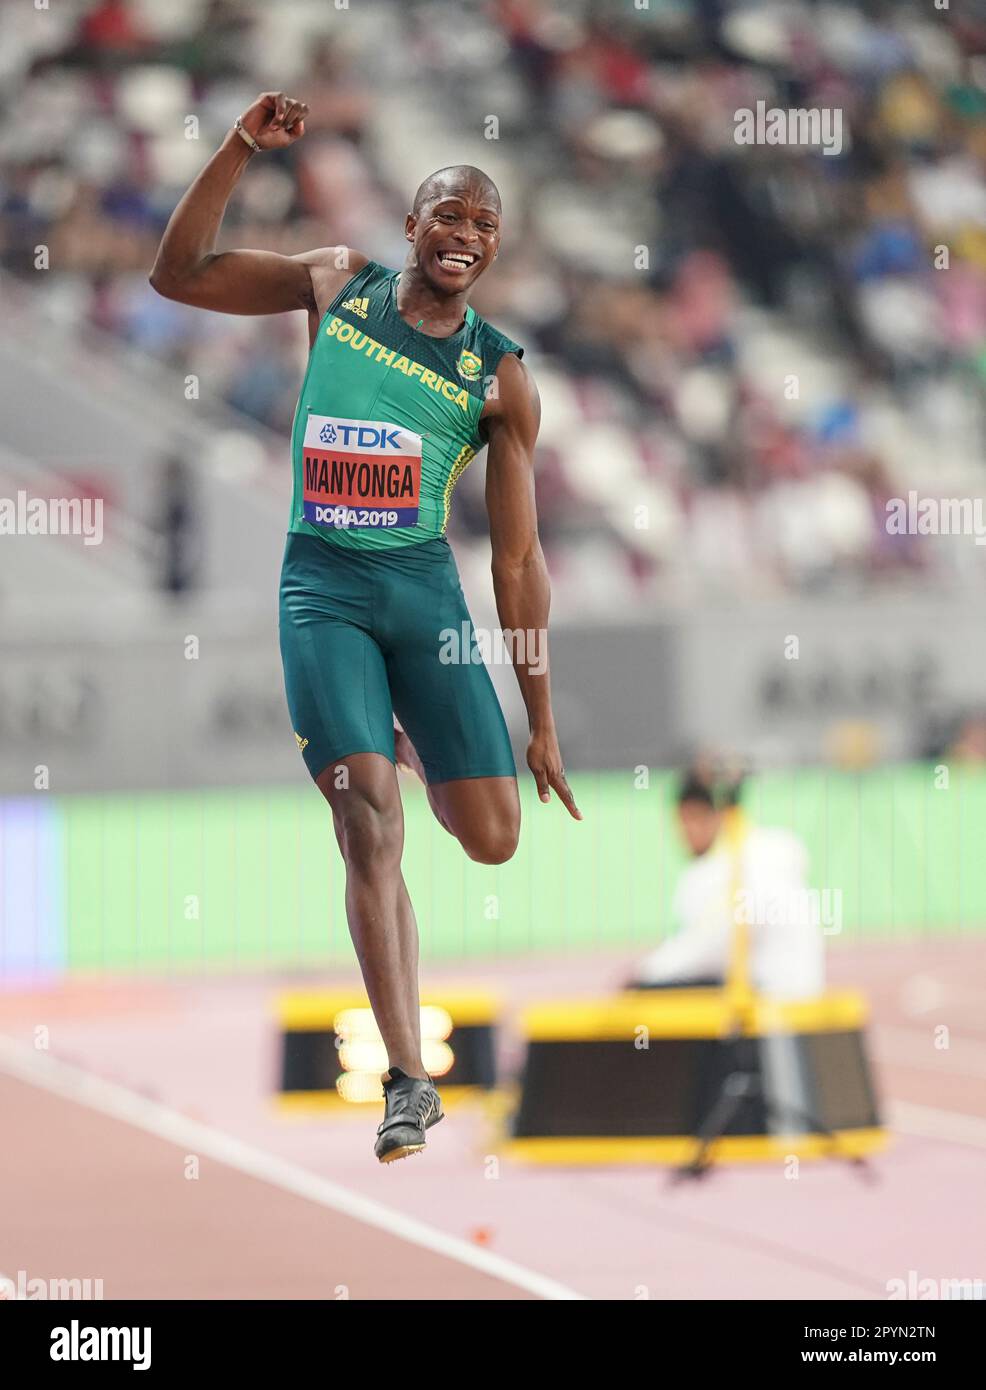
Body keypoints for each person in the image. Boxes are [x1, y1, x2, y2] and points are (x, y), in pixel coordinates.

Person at [150, 91, 581, 1162]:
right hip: (323, 591)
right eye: (448, 215)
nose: (464, 236)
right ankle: (406, 1077)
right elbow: (179, 273)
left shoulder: (500, 377)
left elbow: (520, 560)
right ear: (410, 226)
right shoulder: (336, 282)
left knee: (489, 838)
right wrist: (243, 144)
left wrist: (538, 715)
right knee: (369, 824)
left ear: (493, 250)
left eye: (484, 226)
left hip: (424, 596)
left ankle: (408, 731)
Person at [629, 771, 825, 999]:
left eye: (696, 818)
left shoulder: (731, 868)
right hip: (789, 994)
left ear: (719, 816)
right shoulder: (765, 851)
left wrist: (648, 971)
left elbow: (712, 944)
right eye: (683, 821)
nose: (688, 831)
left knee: (648, 993)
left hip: (769, 1003)